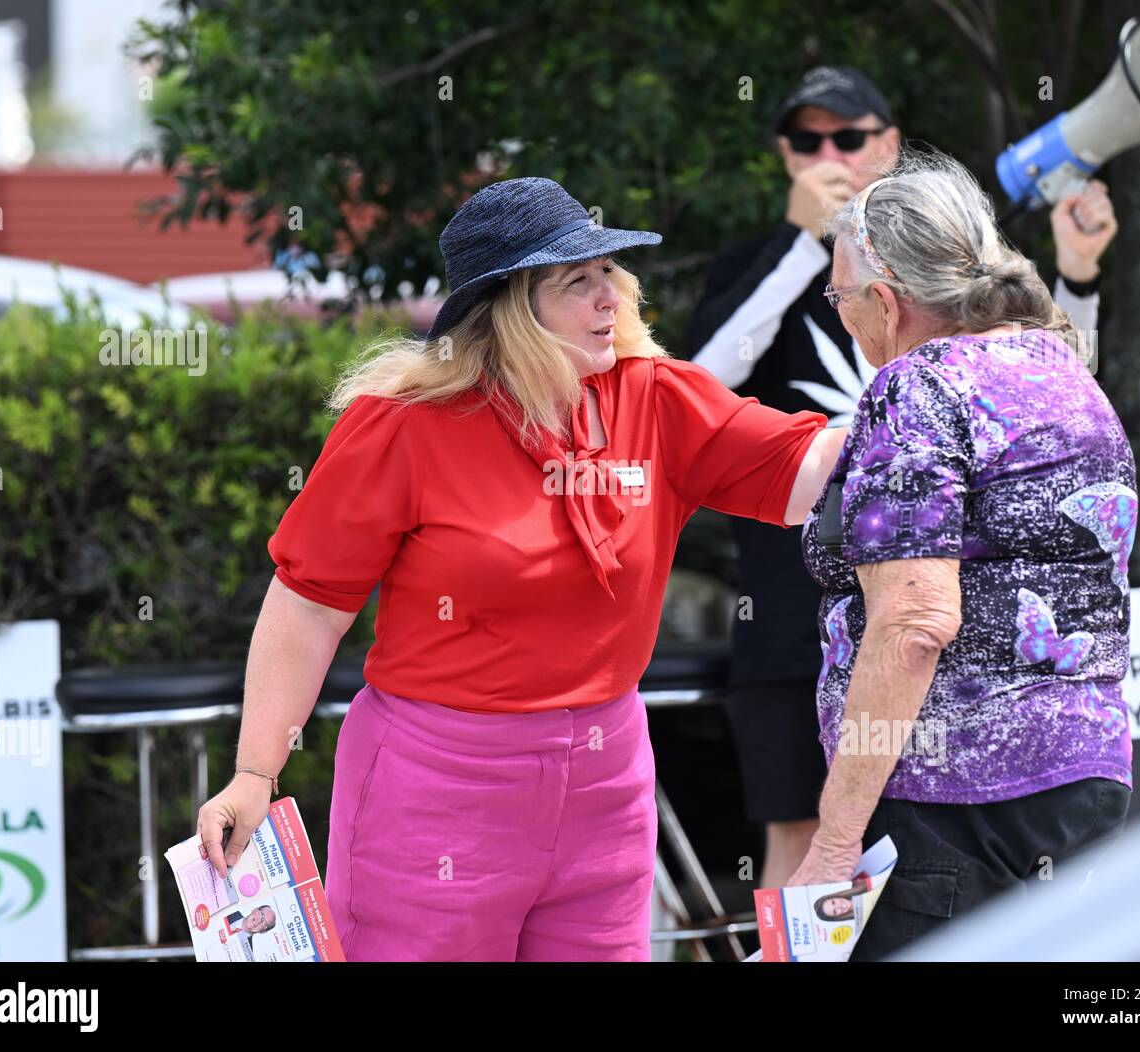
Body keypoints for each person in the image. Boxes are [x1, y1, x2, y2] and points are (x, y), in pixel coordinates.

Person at [193, 176, 848, 962]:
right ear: (510, 310)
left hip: (608, 779)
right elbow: (308, 604)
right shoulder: (405, 426)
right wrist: (254, 774)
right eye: (579, 282)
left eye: (610, 274)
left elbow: (808, 470)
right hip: (438, 786)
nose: (610, 298)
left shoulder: (657, 397)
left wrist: (933, 392)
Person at [687, 65, 1119, 890]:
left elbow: (918, 619)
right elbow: (700, 386)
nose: (827, 155)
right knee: (801, 844)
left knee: (849, 877)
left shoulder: (933, 352)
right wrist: (799, 248)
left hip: (946, 728)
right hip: (807, 616)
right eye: (806, 140)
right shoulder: (766, 268)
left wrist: (1080, 274)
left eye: (848, 138)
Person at [791, 149, 1135, 962]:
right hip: (1083, 781)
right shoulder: (1061, 366)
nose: (842, 314)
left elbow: (912, 623)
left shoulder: (917, 387)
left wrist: (835, 843)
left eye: (839, 296)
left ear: (887, 300)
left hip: (950, 802)